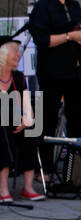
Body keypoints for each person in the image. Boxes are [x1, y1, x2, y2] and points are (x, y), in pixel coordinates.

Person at [27, 0, 81, 172]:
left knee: (76, 120)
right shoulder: (43, 7)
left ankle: (72, 171)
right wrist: (69, 36)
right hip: (53, 72)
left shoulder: (74, 6)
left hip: (75, 72)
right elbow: (42, 40)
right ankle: (45, 169)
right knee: (48, 119)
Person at [0, 40, 43, 202]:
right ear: (3, 54)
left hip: (15, 121)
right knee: (2, 130)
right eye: (15, 51)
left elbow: (27, 105)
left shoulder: (18, 76)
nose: (18, 54)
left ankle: (28, 187)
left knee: (33, 126)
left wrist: (27, 120)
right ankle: (3, 189)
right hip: (2, 123)